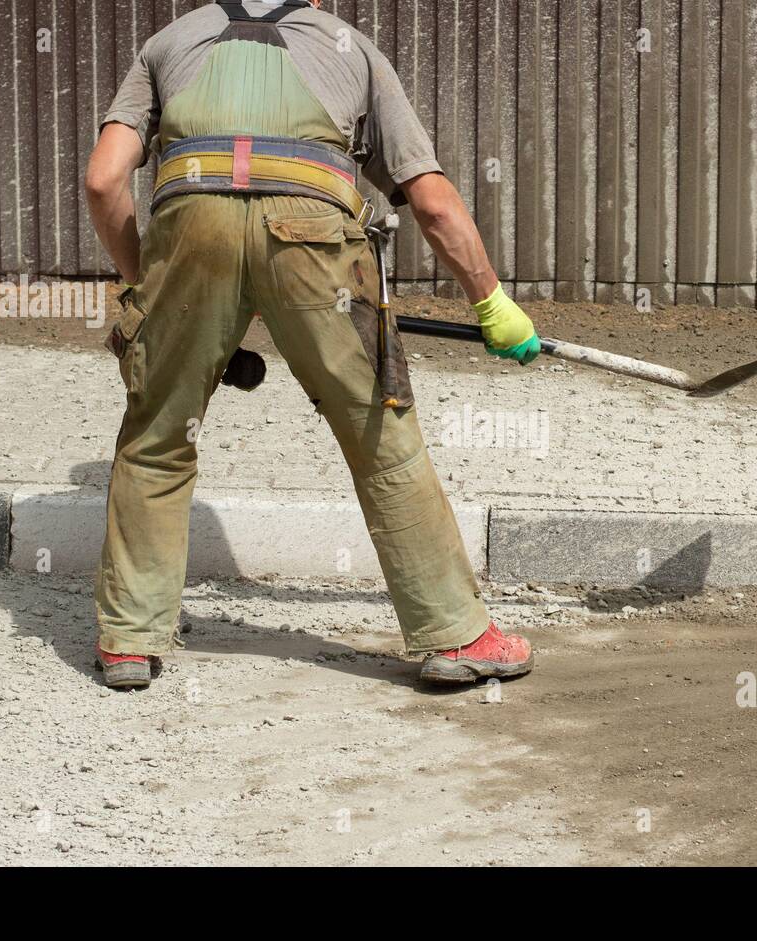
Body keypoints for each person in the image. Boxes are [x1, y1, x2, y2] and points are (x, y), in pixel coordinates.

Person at [84, 0, 539, 689]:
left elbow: (102, 178)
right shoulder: (349, 46)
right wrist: (492, 301)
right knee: (378, 433)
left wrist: (146, 285)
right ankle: (457, 636)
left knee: (158, 432)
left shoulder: (169, 41)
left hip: (188, 234)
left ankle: (127, 640)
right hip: (314, 240)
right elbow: (433, 199)